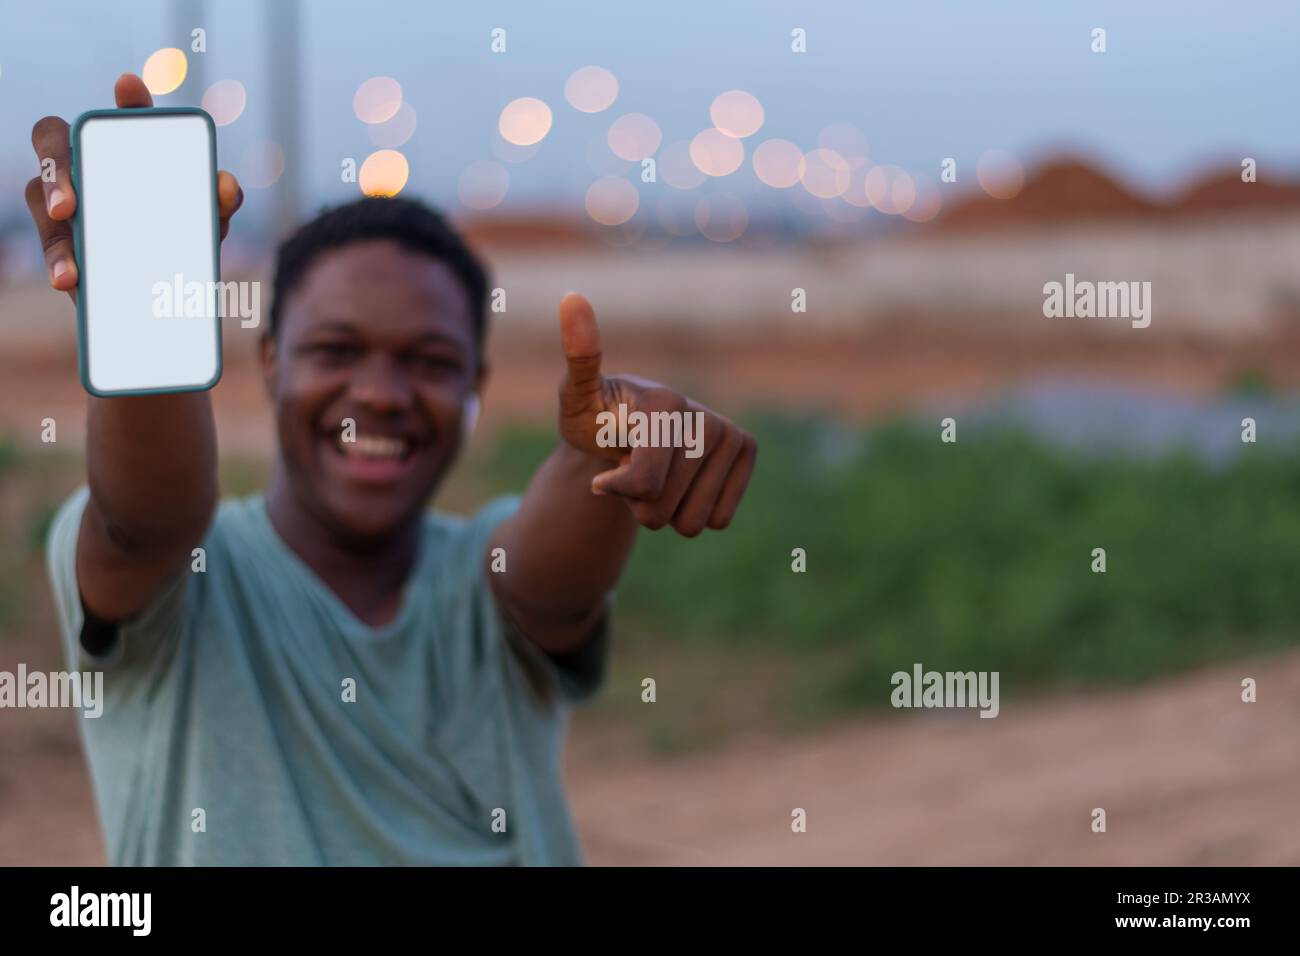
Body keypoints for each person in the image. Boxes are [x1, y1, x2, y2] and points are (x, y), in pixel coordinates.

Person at [26, 73, 757, 865]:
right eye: (336, 351)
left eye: (430, 361)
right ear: (269, 361)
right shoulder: (193, 579)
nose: (379, 394)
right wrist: (144, 306)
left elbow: (551, 582)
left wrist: (605, 444)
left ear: (475, 387)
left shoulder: (488, 578)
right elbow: (149, 521)